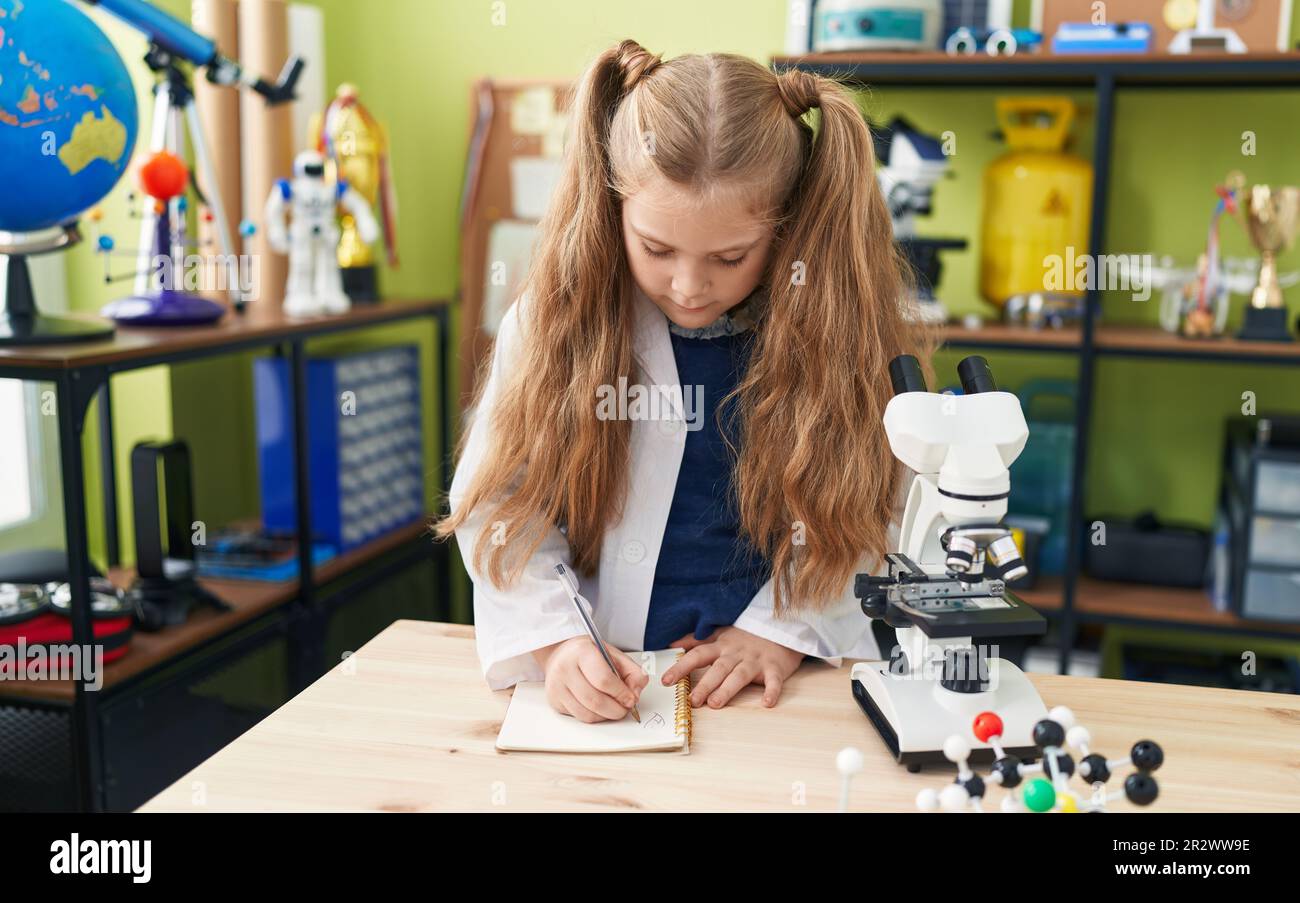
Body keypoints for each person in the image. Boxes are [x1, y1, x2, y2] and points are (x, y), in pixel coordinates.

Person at [434, 39, 938, 722]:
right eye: (656, 248)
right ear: (613, 211)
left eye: (731, 256)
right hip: (615, 682)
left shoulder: (840, 330)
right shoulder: (553, 323)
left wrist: (781, 632)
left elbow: (875, 508)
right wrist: (554, 641)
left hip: (776, 688)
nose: (690, 285)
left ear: (787, 227)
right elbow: (501, 505)